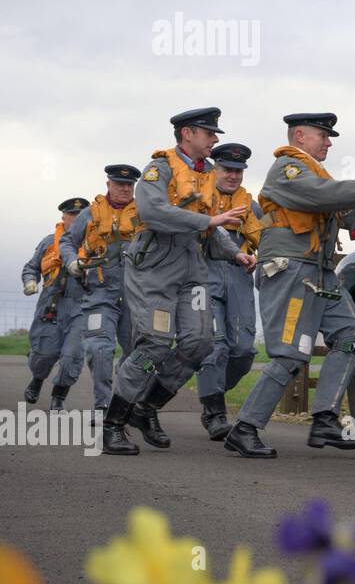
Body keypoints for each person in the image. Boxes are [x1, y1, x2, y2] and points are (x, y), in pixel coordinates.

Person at [225, 112, 355, 458]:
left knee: (349, 336)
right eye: (323, 135)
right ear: (299, 136)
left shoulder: (317, 175)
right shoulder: (288, 170)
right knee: (290, 354)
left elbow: (353, 217)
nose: (329, 142)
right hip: (291, 273)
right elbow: (324, 194)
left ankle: (324, 418)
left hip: (318, 274)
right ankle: (245, 428)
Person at [101, 108, 256, 456]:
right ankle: (113, 424)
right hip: (156, 265)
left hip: (193, 266)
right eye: (209, 132)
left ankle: (146, 408)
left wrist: (235, 254)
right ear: (188, 134)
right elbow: (153, 211)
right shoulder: (161, 168)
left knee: (200, 344)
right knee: (154, 344)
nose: (215, 139)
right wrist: (209, 222)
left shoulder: (206, 174)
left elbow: (209, 225)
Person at [59, 165, 143, 413]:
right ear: (108, 185)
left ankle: (125, 402)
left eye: (129, 185)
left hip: (136, 295)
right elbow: (67, 241)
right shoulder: (90, 213)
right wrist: (71, 261)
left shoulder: (145, 212)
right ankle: (102, 405)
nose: (125, 188)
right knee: (99, 349)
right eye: (119, 184)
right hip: (99, 293)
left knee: (139, 352)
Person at [195, 142, 262, 440]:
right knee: (215, 345)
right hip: (202, 276)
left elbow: (269, 236)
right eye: (227, 170)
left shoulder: (251, 205)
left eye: (239, 171)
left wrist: (263, 254)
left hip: (239, 278)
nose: (233, 176)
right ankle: (215, 413)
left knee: (243, 350)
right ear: (215, 169)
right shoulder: (197, 199)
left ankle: (213, 391)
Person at [20, 198, 89, 410]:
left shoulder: (95, 244)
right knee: (44, 353)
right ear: (64, 218)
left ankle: (59, 395)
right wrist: (31, 281)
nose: (76, 219)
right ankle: (37, 379)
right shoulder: (49, 242)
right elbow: (31, 267)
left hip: (82, 307)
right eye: (72, 215)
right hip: (51, 305)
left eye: (80, 216)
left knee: (73, 355)